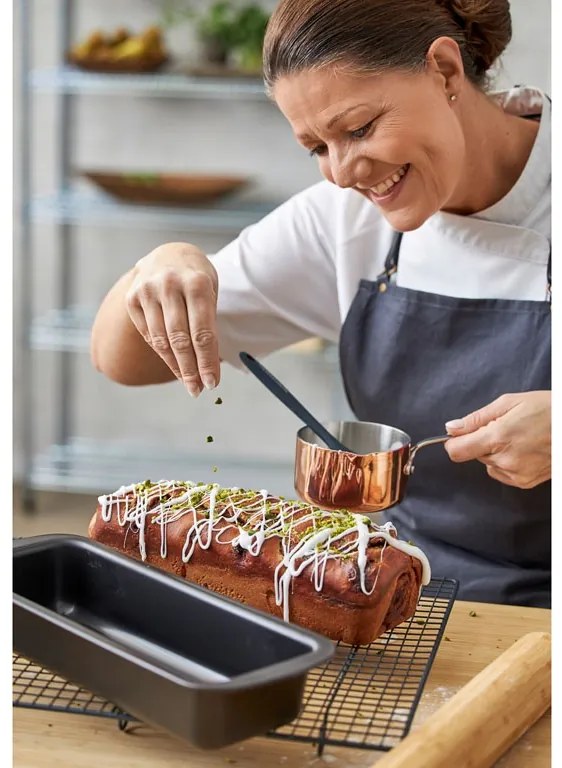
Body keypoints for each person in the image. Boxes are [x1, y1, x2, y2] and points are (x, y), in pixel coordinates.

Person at [90, 0, 551, 608]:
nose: (341, 172)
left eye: (358, 129)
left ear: (443, 71)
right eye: (316, 147)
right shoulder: (344, 220)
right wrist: (159, 267)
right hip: (408, 593)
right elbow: (123, 360)